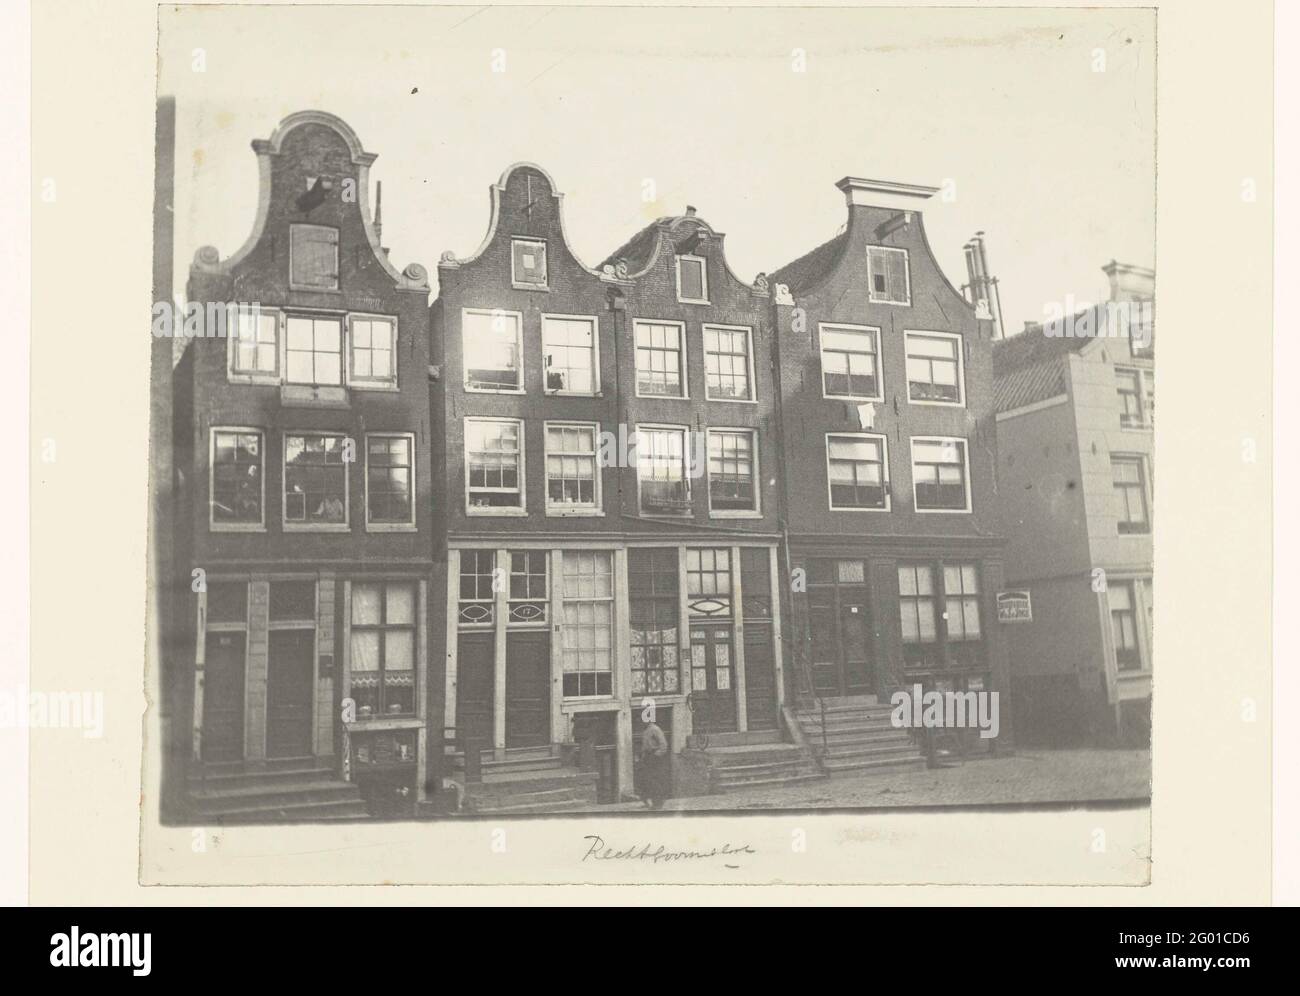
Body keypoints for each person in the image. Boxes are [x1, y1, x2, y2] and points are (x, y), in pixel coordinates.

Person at [639, 719, 670, 810]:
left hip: (654, 757)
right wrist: (643, 758)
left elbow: (663, 745)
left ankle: (658, 803)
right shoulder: (645, 731)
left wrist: (655, 756)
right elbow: (645, 747)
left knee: (656, 780)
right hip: (648, 757)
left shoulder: (655, 729)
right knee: (648, 781)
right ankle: (651, 803)